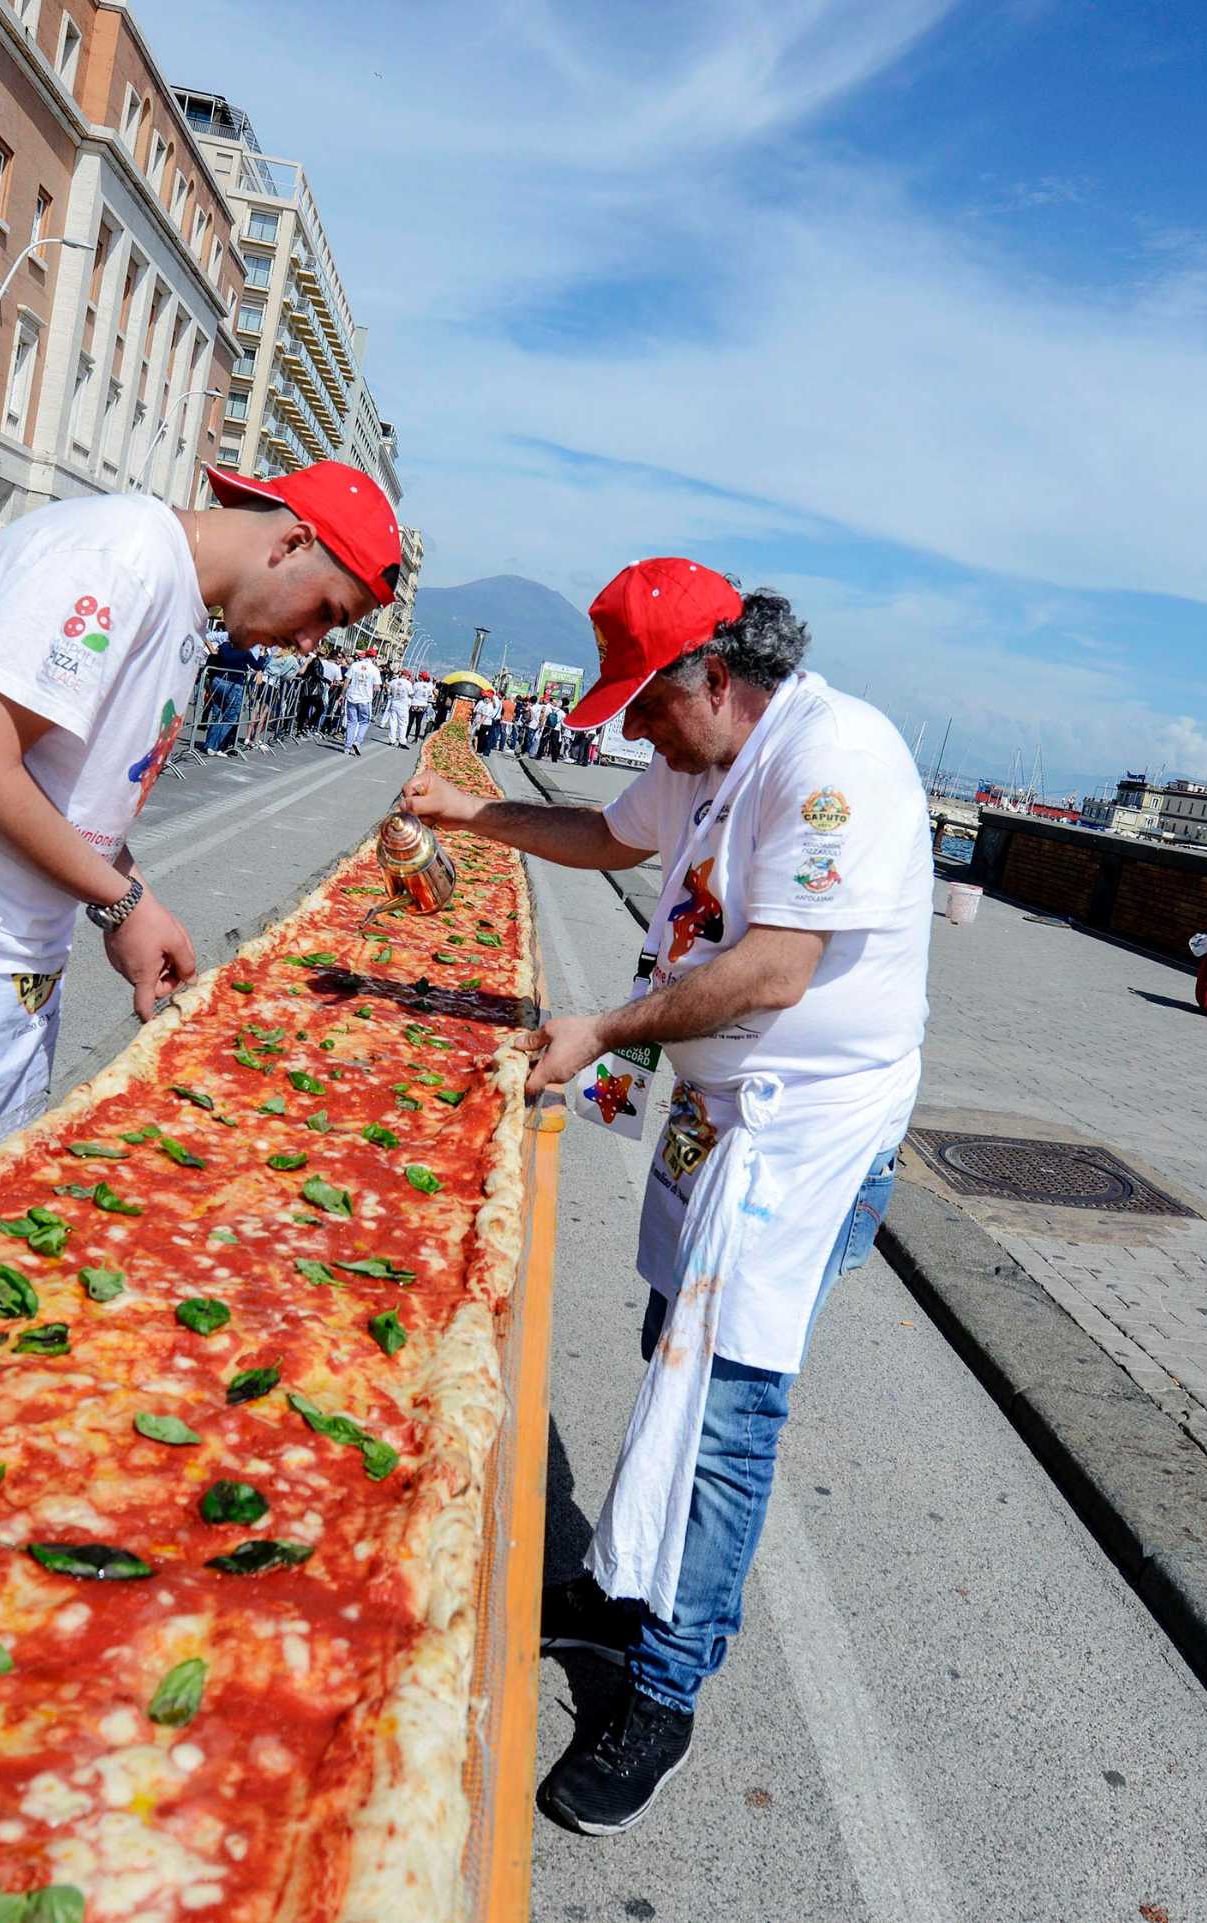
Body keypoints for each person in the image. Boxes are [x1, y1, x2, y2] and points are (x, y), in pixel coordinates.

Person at [401, 561, 930, 1833]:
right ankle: (624, 1585)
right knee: (666, 1344)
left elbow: (772, 971)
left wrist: (603, 1026)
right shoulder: (699, 757)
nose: (632, 727)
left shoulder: (834, 756)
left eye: (646, 701)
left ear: (718, 675)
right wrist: (466, 813)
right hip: (713, 1110)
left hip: (806, 1127)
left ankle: (667, 1684)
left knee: (732, 1403)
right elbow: (607, 838)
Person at [0, 458, 403, 1247]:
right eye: (326, 611)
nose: (312, 642)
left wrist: (130, 893)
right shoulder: (118, 558)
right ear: (293, 542)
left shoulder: (170, 590)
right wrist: (121, 902)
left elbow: (67, 791)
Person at [198, 620, 250, 755]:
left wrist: (212, 650)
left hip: (218, 680)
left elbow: (210, 643)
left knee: (218, 713)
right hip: (232, 684)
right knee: (231, 716)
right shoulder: (244, 650)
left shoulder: (224, 646)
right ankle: (216, 745)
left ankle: (210, 745)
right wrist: (261, 655)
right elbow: (258, 665)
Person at [340, 646, 381, 753]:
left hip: (352, 697)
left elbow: (347, 681)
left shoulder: (355, 665)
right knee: (364, 722)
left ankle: (347, 747)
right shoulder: (374, 669)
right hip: (365, 699)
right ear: (374, 657)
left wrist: (342, 694)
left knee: (351, 722)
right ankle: (357, 741)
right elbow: (377, 687)